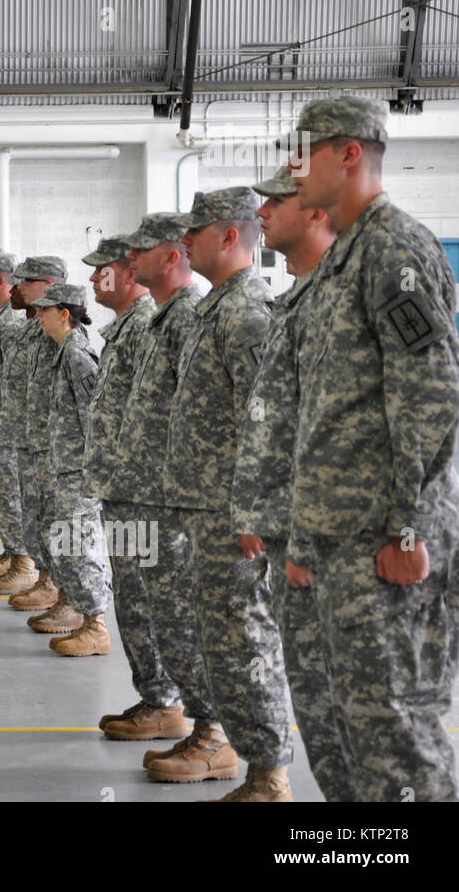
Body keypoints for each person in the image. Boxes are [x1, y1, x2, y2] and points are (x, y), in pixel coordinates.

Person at [287, 96, 459, 802]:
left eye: (304, 153)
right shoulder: (344, 259)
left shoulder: (392, 246)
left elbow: (430, 391)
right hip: (342, 536)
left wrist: (406, 524)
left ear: (348, 153)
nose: (292, 171)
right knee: (357, 727)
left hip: (382, 539)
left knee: (396, 732)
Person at [159, 187, 293, 795]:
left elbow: (266, 421)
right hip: (206, 509)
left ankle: (270, 773)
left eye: (196, 231)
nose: (185, 242)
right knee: (217, 637)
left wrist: (254, 511)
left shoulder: (246, 313)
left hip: (233, 515)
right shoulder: (215, 308)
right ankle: (226, 745)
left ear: (229, 236)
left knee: (244, 641)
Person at [231, 163, 341, 799]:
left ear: (318, 211)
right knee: (324, 713)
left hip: (342, 543)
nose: (263, 211)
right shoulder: (295, 299)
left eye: (276, 200)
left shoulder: (345, 297)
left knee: (369, 720)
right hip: (297, 539)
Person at [114, 214, 226, 781]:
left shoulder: (190, 319)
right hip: (142, 495)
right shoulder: (164, 319)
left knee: (184, 618)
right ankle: (167, 706)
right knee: (154, 611)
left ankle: (215, 732)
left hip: (177, 502)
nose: (129, 260)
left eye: (141, 250)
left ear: (174, 254)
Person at [82, 236, 188, 739]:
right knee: (133, 598)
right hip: (124, 490)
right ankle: (155, 697)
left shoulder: (148, 325)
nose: (92, 279)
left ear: (128, 274)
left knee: (153, 599)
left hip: (148, 494)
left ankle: (168, 701)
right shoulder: (126, 329)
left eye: (102, 269)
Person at [32, 281, 111, 656]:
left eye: (44, 310)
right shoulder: (63, 352)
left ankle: (96, 626)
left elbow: (93, 417)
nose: (38, 316)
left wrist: (92, 474)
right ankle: (83, 618)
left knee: (80, 545)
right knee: (66, 543)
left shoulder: (79, 356)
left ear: (64, 313)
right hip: (65, 467)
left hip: (79, 472)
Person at [1, 256, 72, 621]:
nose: (17, 289)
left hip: (53, 445)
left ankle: (67, 594)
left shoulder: (65, 338)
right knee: (37, 517)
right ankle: (46, 578)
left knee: (59, 521)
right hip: (29, 439)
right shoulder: (32, 328)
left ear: (48, 284)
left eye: (25, 282)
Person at [0, 250, 37, 599]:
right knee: (4, 491)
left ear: (0, 279)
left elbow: (17, 378)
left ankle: (23, 562)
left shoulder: (11, 323)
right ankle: (15, 552)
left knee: (12, 492)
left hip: (7, 424)